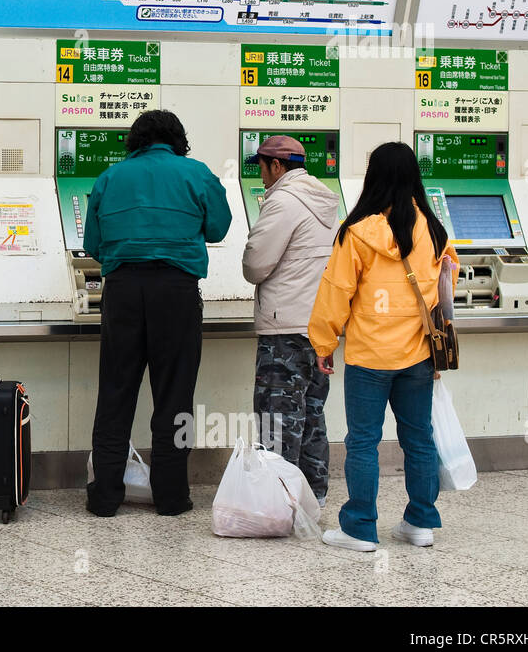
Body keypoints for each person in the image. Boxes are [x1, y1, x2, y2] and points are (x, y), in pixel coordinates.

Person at [308, 141, 459, 551]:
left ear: (374, 177)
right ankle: (420, 522)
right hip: (419, 354)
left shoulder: (357, 231)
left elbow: (336, 291)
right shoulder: (434, 229)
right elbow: (447, 281)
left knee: (363, 441)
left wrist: (323, 342)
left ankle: (359, 528)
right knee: (419, 438)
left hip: (369, 356)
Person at [84, 110, 231, 517]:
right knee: (175, 395)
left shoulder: (110, 178)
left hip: (123, 292)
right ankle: (171, 496)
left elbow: (93, 243)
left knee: (115, 392)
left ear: (135, 140)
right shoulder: (196, 174)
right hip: (176, 292)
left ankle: (105, 496)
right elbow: (218, 228)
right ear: (178, 140)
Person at [241, 135, 339, 508]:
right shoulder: (325, 200)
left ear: (277, 165)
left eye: (263, 168)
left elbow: (255, 264)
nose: (262, 176)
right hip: (319, 326)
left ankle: (279, 504)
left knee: (277, 418)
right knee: (312, 414)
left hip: (285, 328)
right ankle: (314, 498)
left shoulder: (283, 200)